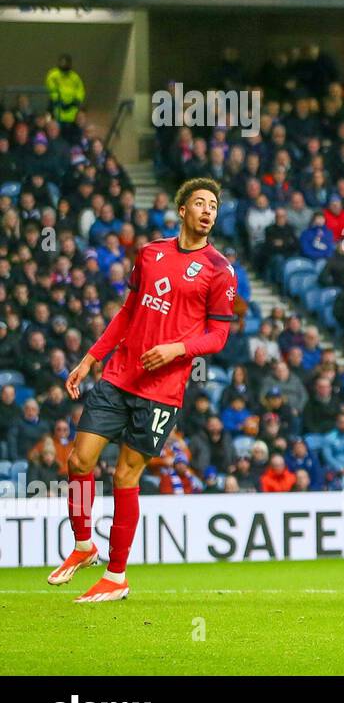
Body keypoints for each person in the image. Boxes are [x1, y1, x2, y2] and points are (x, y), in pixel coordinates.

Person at [50, 178, 236, 602]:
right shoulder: (151, 253)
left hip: (161, 389)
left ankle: (116, 577)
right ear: (182, 209)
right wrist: (90, 358)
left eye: (214, 206)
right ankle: (83, 546)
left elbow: (218, 337)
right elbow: (128, 312)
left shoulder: (220, 270)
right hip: (118, 375)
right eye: (200, 204)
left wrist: (177, 348)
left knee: (124, 475)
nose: (208, 211)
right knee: (79, 462)